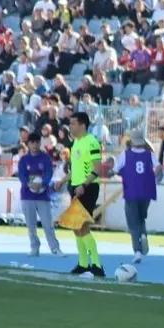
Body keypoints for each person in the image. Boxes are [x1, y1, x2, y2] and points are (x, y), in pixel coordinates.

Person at [56, 111, 106, 277]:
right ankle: (83, 263)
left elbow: (97, 168)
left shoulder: (91, 142)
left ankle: (97, 265)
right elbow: (74, 170)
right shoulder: (75, 143)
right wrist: (63, 181)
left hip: (88, 188)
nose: (70, 127)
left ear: (82, 125)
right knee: (76, 227)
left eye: (73, 124)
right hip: (76, 187)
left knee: (82, 226)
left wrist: (84, 185)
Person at [114, 129, 157, 263]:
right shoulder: (150, 154)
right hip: (147, 191)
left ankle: (137, 250)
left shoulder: (125, 154)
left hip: (131, 191)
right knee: (141, 218)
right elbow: (159, 167)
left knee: (132, 222)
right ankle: (143, 235)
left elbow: (116, 170)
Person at [17, 133, 61, 257]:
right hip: (27, 196)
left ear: (40, 143)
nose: (35, 145)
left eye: (37, 142)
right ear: (28, 144)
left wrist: (43, 183)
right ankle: (34, 248)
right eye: (32, 142)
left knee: (48, 224)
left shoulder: (45, 158)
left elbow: (48, 173)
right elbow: (21, 175)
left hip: (43, 196)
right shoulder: (24, 160)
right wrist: (28, 184)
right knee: (31, 225)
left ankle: (55, 248)